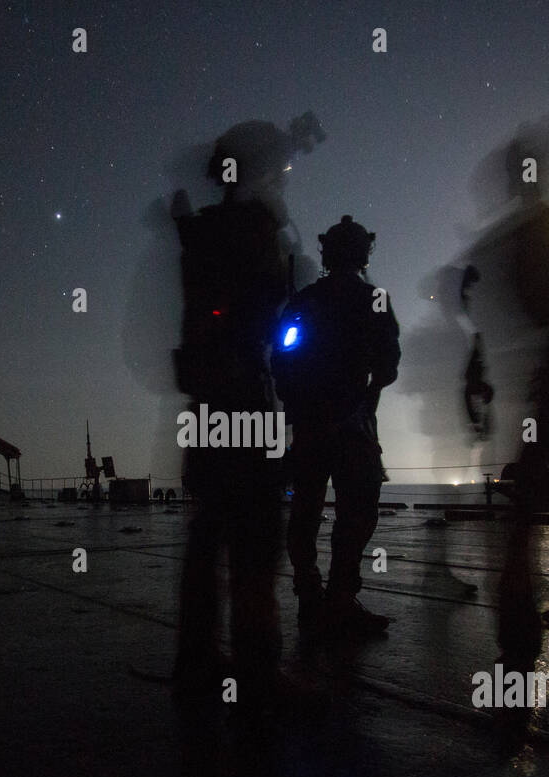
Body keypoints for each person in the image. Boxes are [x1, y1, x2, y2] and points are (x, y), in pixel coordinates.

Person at [170, 113, 324, 702]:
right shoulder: (254, 229)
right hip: (243, 398)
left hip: (209, 401)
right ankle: (259, 674)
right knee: (259, 539)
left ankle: (198, 660)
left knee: (208, 534)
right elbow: (262, 314)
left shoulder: (206, 229)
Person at [272, 215, 401, 636]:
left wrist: (300, 405)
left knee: (306, 510)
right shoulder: (374, 299)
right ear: (364, 253)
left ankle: (310, 594)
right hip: (353, 424)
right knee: (356, 513)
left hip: (312, 425)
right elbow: (387, 366)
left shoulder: (304, 301)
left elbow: (282, 360)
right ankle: (340, 599)